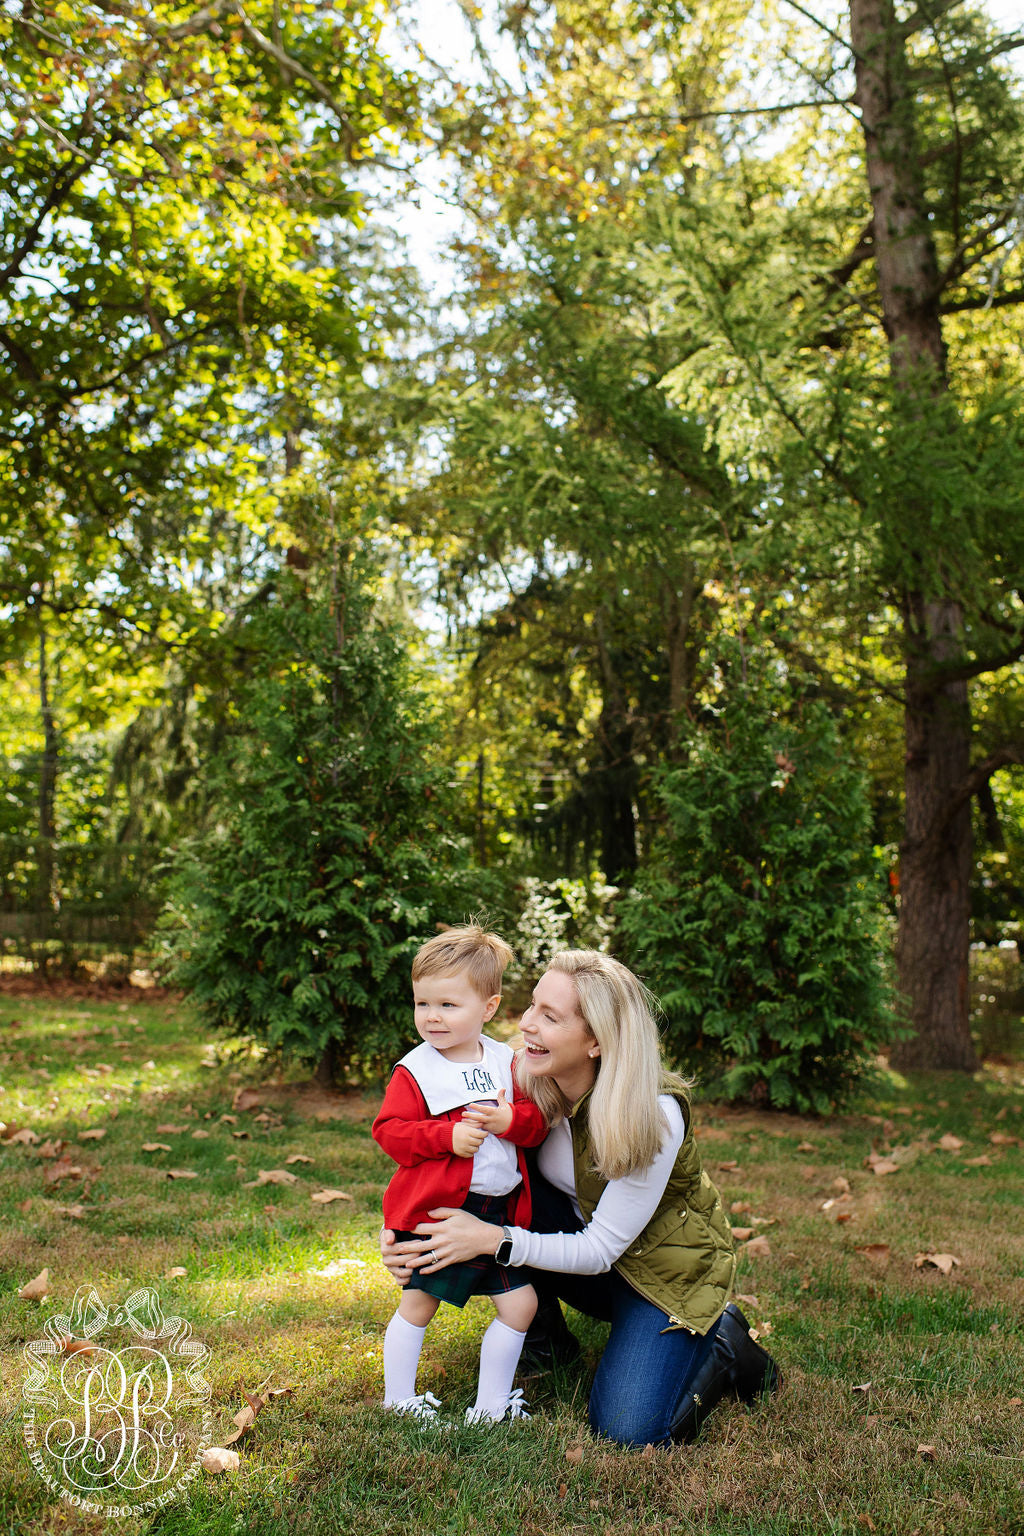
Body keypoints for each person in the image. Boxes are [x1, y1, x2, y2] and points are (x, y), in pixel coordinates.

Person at [380, 949, 781, 1448]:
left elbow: (599, 1250)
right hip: (578, 1250)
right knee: (517, 1191)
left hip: (661, 1275)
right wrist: (403, 1229)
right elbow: (468, 1170)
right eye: (531, 1006)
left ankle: (720, 1340)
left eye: (549, 1017)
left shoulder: (651, 1116)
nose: (526, 1025)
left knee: (629, 1431)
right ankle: (545, 1345)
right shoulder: (516, 1074)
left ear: (595, 1041)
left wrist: (491, 1240)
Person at [371, 924, 549, 1423]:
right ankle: (399, 1398)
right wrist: (445, 1137)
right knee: (420, 1300)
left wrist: (510, 1120)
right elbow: (389, 1132)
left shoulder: (506, 1062)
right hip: (443, 1208)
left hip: (499, 1209)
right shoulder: (417, 1070)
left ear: (488, 1008)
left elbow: (537, 1124)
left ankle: (491, 1406)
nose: (432, 1016)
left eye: (448, 1005)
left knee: (520, 1306)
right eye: (422, 1003)